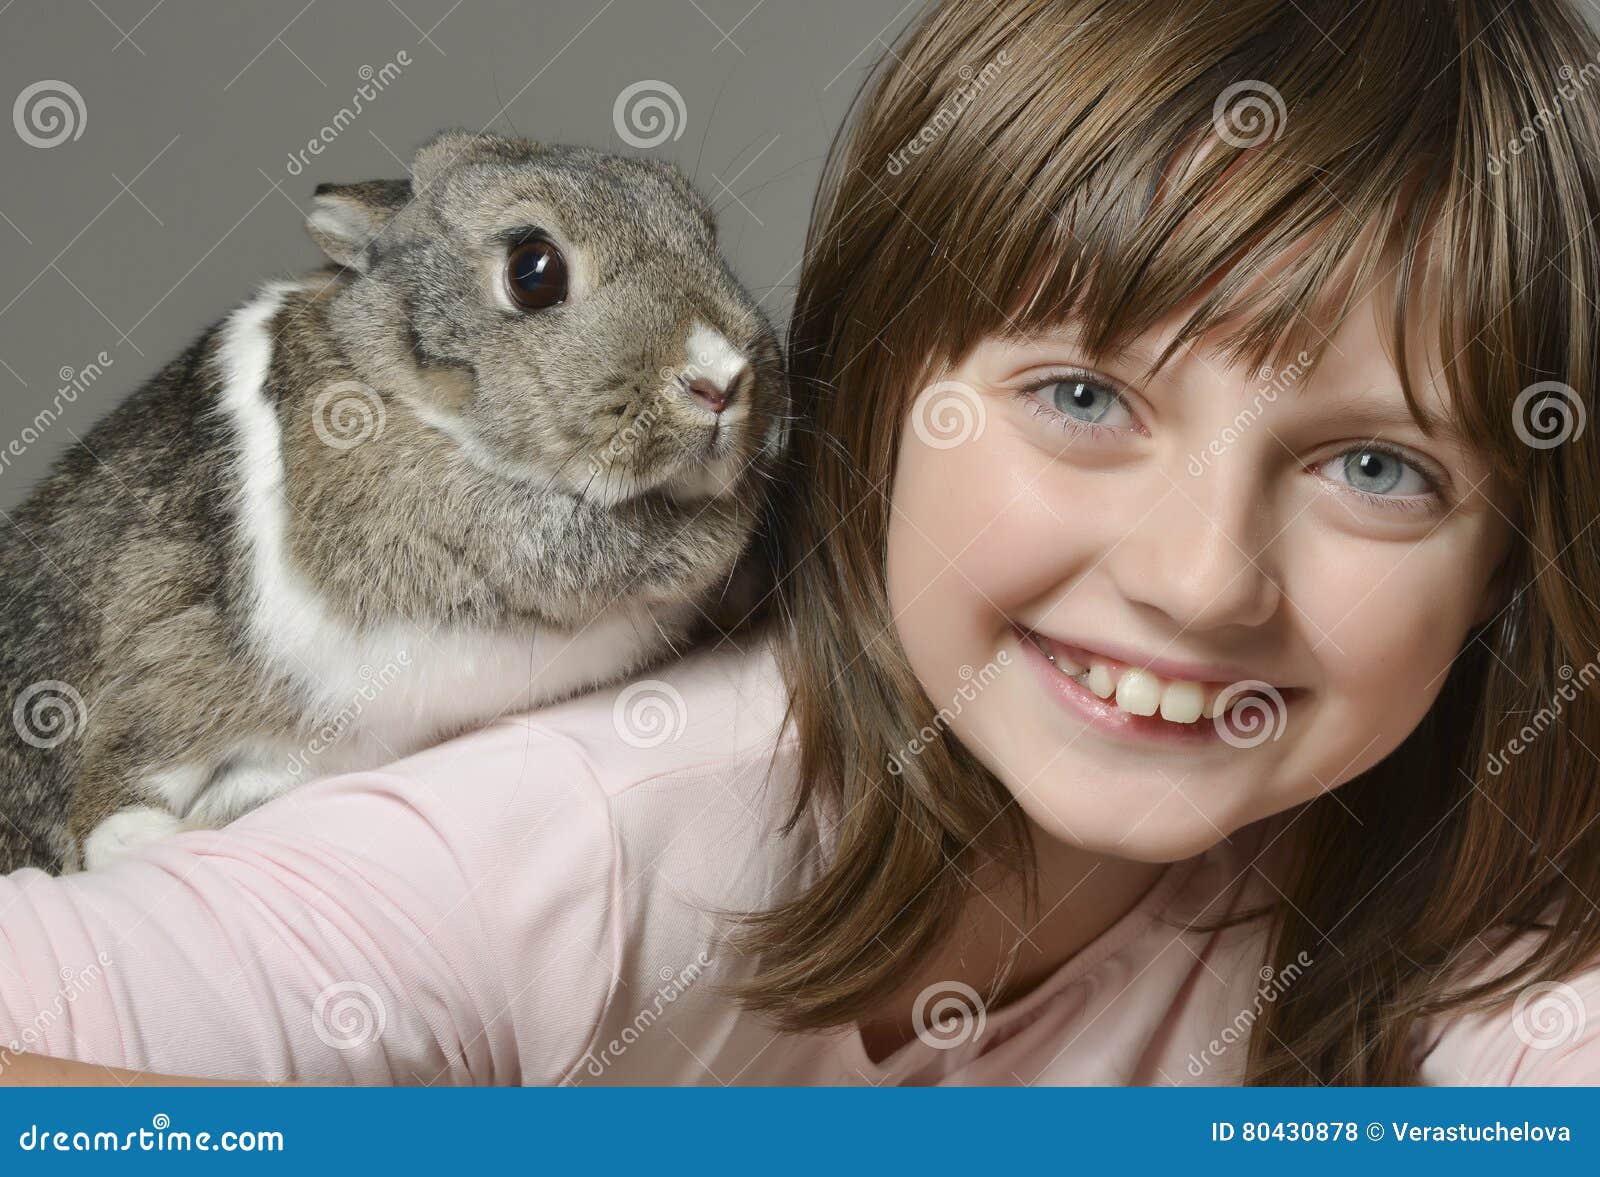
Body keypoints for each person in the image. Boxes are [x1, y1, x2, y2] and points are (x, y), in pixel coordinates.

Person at [4, 0, 1600, 1086]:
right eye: (1081, 395)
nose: (1200, 577)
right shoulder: (599, 831)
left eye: (1378, 467)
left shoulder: (1458, 889)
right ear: (884, 390)